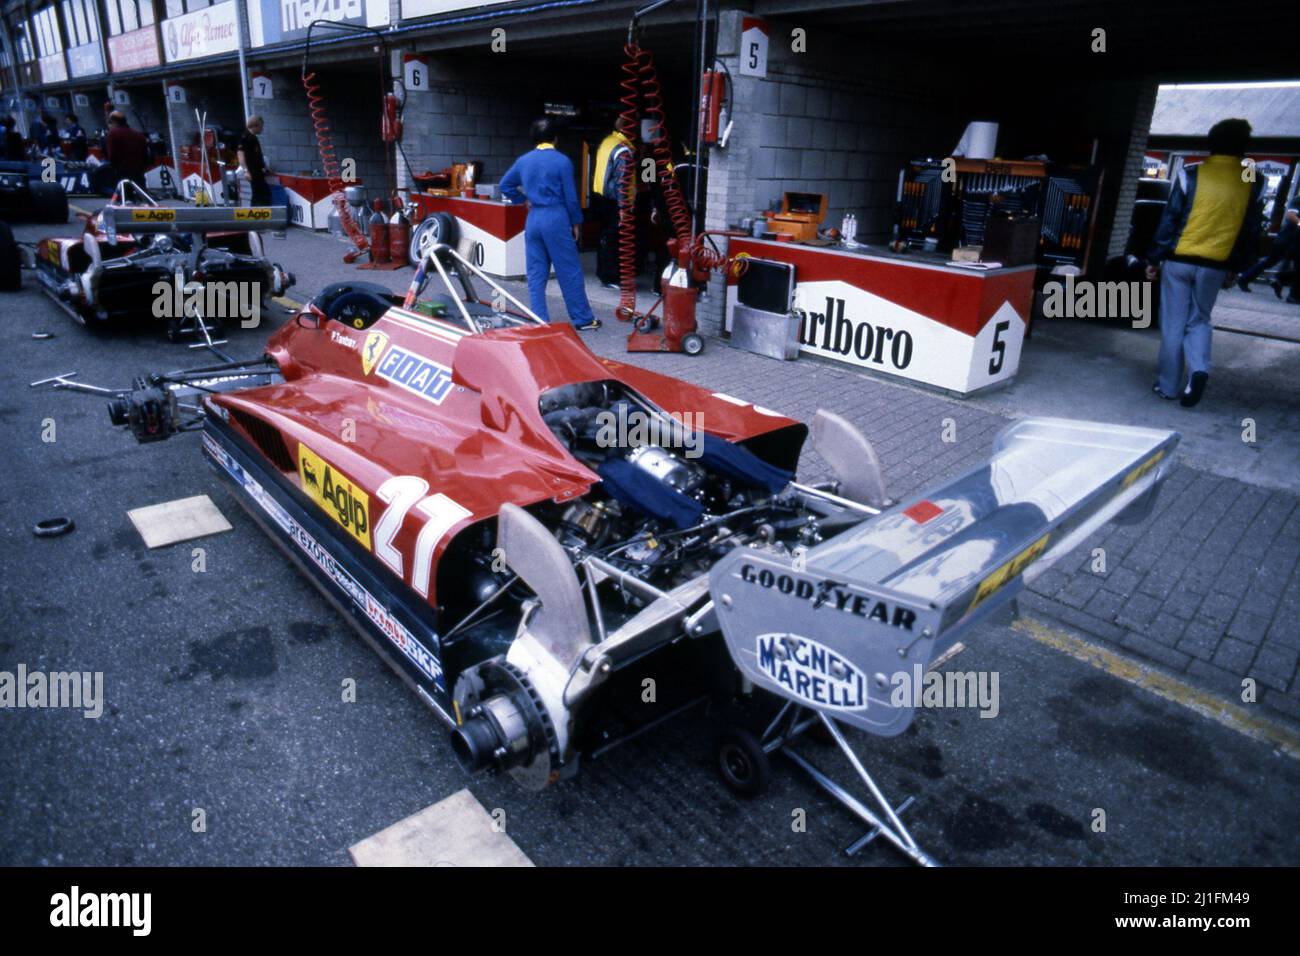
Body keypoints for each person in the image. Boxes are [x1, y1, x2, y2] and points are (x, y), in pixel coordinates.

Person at [1146, 118, 1263, 407]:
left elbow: (1170, 219)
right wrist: (1235, 267)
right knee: (1199, 320)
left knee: (1173, 323)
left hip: (1178, 260)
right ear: (1244, 146)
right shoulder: (1253, 180)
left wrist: (1154, 258)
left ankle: (1168, 386)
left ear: (1211, 143)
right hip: (1215, 264)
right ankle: (1198, 370)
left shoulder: (1191, 174)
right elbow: (1251, 229)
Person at [499, 117, 601, 331]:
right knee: (569, 270)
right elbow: (571, 197)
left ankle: (539, 320)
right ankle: (582, 319)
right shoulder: (562, 161)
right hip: (556, 217)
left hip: (534, 218)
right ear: (555, 138)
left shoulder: (523, 161)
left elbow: (505, 185)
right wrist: (576, 222)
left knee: (536, 273)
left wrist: (522, 200)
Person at [1236, 192, 1300, 303]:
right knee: (1271, 260)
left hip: (1295, 240)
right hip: (1287, 239)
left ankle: (1283, 283)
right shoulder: (1298, 200)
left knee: (1274, 261)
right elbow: (1291, 215)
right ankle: (1245, 279)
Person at [592, 126, 633, 288]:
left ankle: (604, 272)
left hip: (601, 196)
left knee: (605, 237)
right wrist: (623, 206)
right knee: (613, 238)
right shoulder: (623, 149)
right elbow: (622, 180)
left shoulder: (607, 142)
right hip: (618, 200)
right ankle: (610, 275)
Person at [104, 111, 149, 190]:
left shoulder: (113, 134)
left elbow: (112, 155)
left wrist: (113, 167)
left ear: (114, 122)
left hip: (122, 171)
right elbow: (145, 154)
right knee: (141, 194)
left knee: (125, 196)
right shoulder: (138, 135)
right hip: (138, 171)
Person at [236, 115, 271, 206]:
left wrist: (264, 167)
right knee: (258, 196)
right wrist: (245, 171)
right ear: (256, 126)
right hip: (252, 172)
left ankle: (261, 217)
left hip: (258, 172)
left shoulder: (254, 138)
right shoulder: (246, 137)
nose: (262, 129)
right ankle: (254, 217)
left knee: (263, 195)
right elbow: (240, 154)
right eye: (261, 126)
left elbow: (257, 156)